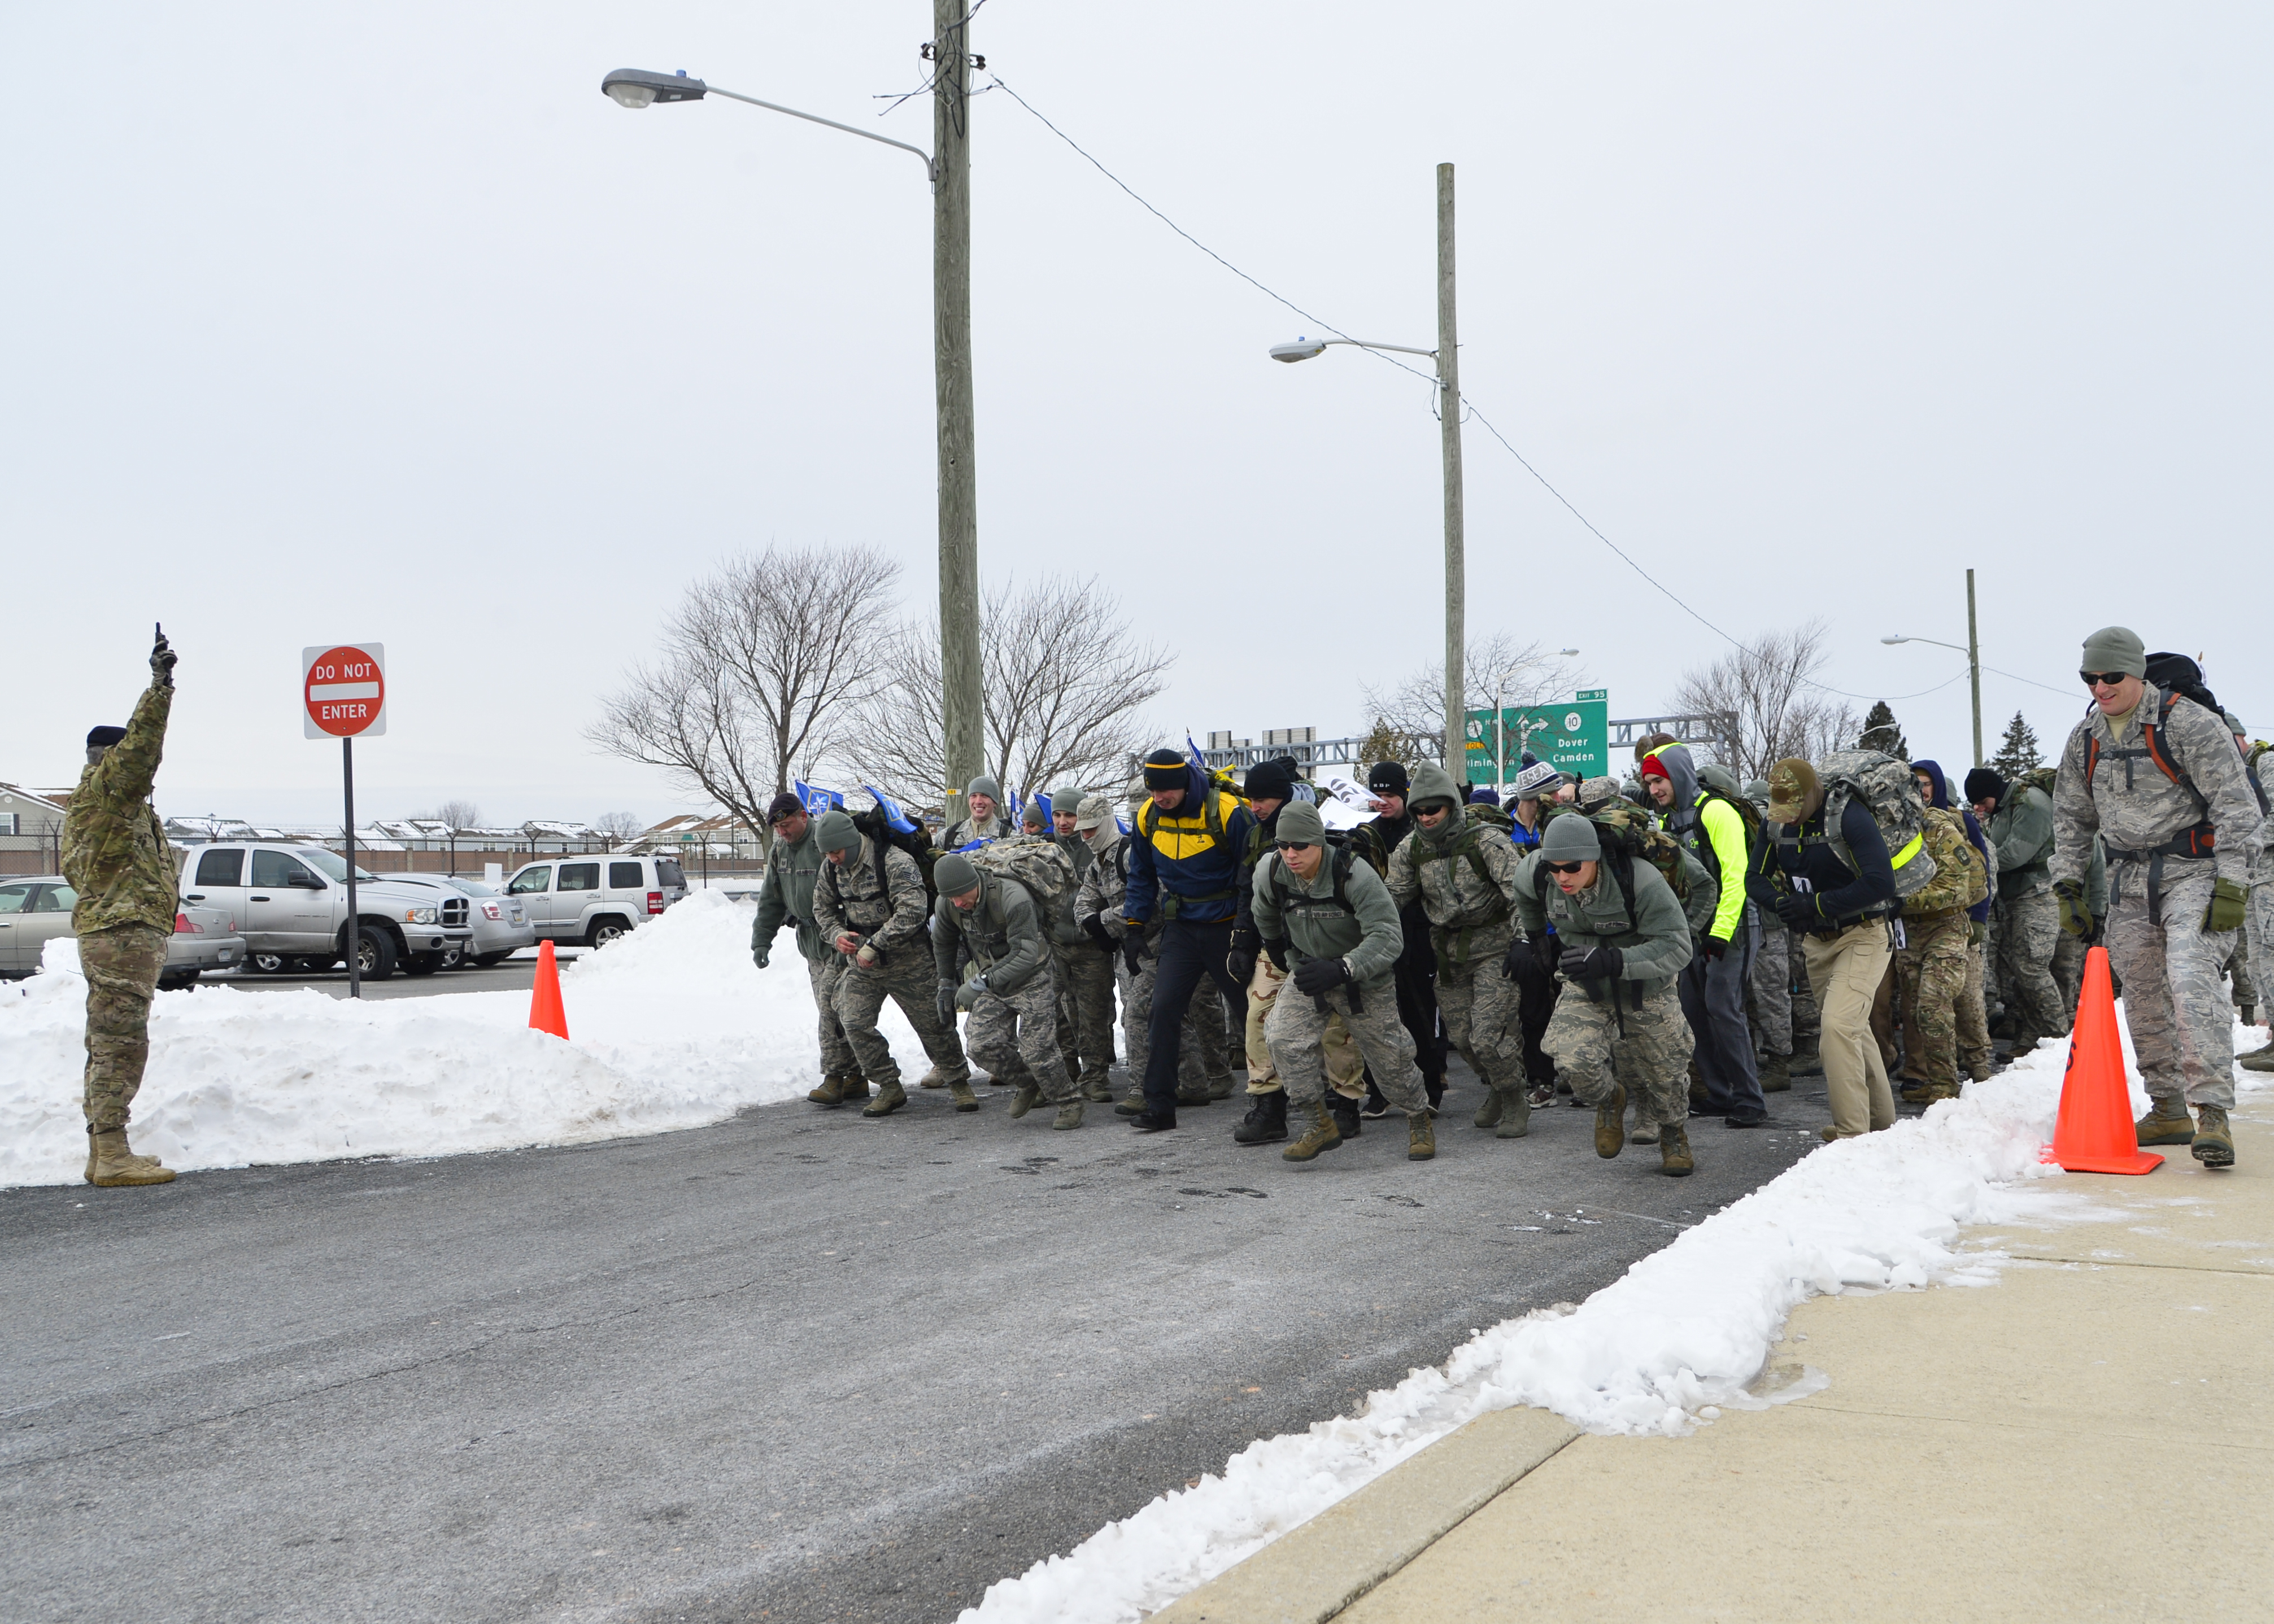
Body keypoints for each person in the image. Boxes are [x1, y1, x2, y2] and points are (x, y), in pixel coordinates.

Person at [2051, 628, 2262, 1166]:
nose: (2100, 687)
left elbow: (2238, 809)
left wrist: (2234, 883)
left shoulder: (2188, 723)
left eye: (2111, 676)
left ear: (2136, 673)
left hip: (2194, 871)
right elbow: (2072, 819)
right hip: (2128, 881)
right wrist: (2068, 884)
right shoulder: (2086, 739)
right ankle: (2167, 1107)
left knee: (2190, 978)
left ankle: (2211, 1113)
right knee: (2143, 995)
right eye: (2089, 678)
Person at [1251, 800, 1438, 1163]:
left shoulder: (1354, 874)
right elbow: (1265, 918)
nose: (1290, 854)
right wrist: (1287, 960)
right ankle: (1317, 1122)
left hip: (1363, 977)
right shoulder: (1270, 872)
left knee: (1391, 1060)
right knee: (1281, 1038)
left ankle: (1418, 1119)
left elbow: (1387, 936)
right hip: (1310, 973)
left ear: (1318, 843)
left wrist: (1344, 968)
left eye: (1299, 846)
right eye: (1283, 845)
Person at [1511, 814, 1698, 1175]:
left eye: (1572, 867)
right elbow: (1525, 897)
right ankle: (1611, 1099)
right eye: (1554, 867)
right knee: (1570, 1058)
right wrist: (1532, 937)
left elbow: (1677, 947)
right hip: (1586, 984)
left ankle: (1673, 1132)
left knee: (1666, 1074)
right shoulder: (1535, 873)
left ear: (1594, 858)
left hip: (1646, 986)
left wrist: (1614, 960)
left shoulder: (1640, 880)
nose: (1562, 877)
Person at [63, 629, 181, 1187]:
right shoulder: (110, 791)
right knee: (120, 1043)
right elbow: (140, 750)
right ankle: (112, 1153)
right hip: (121, 935)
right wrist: (160, 688)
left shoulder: (99, 808)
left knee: (107, 1041)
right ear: (109, 760)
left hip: (117, 932)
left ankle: (103, 1150)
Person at [1750, 757, 1901, 1141]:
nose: (1790, 818)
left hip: (1863, 934)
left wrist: (1817, 904)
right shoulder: (1776, 823)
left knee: (1835, 1028)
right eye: (1782, 810)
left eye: (1795, 808)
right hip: (1817, 942)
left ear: (1813, 795)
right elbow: (1754, 877)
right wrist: (1779, 903)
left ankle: (1851, 1136)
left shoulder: (1848, 817)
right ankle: (1881, 1127)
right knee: (1852, 1031)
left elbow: (1881, 882)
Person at [1384, 763, 1532, 1137]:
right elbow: (1390, 900)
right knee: (1463, 1040)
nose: (1425, 817)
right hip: (1449, 953)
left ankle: (1516, 1097)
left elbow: (1522, 895)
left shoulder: (1486, 841)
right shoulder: (1412, 848)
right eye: (1418, 811)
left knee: (1487, 1036)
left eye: (1433, 809)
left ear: (1451, 805)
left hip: (1495, 947)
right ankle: (1498, 1088)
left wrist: (1523, 941)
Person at [1227, 759, 1367, 1145]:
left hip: (1327, 944)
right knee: (1258, 1017)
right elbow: (1246, 893)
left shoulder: (1326, 826)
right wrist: (1243, 940)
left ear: (1284, 794)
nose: (1255, 807)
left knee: (1335, 1026)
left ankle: (1346, 1104)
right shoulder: (1256, 838)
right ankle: (1268, 1106)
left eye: (1263, 799)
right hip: (1278, 944)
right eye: (1250, 799)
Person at [1122, 749, 1257, 1131]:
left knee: (1250, 1015)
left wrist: (1247, 935)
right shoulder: (1148, 816)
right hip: (1181, 926)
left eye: (1167, 790)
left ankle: (1276, 1099)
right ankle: (1159, 1105)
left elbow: (1250, 876)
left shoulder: (1228, 811)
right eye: (1153, 790)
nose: (1160, 798)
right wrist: (1133, 926)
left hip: (1226, 924)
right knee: (1162, 1009)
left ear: (1183, 783)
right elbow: (1141, 874)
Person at [809, 809, 975, 1117]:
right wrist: (837, 935)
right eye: (827, 853)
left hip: (909, 959)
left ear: (851, 842)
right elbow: (822, 908)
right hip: (863, 961)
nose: (832, 858)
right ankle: (888, 1085)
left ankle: (958, 1082)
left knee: (934, 1025)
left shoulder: (895, 861)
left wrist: (876, 945)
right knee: (853, 1021)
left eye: (836, 851)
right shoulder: (831, 870)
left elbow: (913, 911)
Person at [1639, 744, 1767, 1127]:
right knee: (1694, 1010)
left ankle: (1750, 1099)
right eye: (1648, 782)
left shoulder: (1716, 811)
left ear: (1677, 774)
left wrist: (1722, 932)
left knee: (1723, 1007)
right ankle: (1720, 1093)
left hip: (1735, 926)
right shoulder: (1665, 822)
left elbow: (1737, 876)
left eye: (1658, 780)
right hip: (1692, 929)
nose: (1654, 789)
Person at [1071, 794, 1223, 1108]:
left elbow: (1154, 900)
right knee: (1168, 1016)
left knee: (1139, 1015)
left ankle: (1141, 1091)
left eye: (1092, 829)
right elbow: (1083, 902)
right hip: (1131, 953)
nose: (1087, 837)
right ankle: (1195, 1083)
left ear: (1107, 822)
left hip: (1161, 946)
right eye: (1082, 831)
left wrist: (1104, 922)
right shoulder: (1098, 863)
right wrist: (1095, 924)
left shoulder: (1130, 854)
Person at [931, 850, 1084, 1129]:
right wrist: (945, 984)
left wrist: (979, 983)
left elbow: (1025, 955)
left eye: (961, 895)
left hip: (1034, 977)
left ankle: (1069, 1102)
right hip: (996, 980)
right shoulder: (949, 903)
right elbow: (943, 943)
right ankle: (1028, 1083)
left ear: (974, 881)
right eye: (950, 898)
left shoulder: (1013, 898)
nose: (958, 903)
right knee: (980, 1045)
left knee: (1038, 1050)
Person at [1350, 760, 1450, 1116]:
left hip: (1418, 933)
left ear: (1405, 794)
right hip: (1379, 934)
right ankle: (1378, 1091)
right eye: (1376, 795)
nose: (1383, 801)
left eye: (1390, 794)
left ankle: (1430, 1084)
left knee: (1421, 1012)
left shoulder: (1421, 829)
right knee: (1377, 1015)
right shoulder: (1365, 832)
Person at [753, 792, 866, 1107]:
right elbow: (771, 900)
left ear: (803, 816)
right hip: (811, 944)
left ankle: (834, 1077)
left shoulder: (826, 842)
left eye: (787, 825)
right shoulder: (780, 852)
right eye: (778, 829)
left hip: (841, 939)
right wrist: (762, 940)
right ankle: (856, 1076)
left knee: (832, 1009)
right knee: (833, 1010)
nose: (783, 833)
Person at [1891, 766, 1987, 1104]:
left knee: (1942, 1002)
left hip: (1947, 925)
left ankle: (1971, 1077)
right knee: (1922, 1008)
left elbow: (1959, 885)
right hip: (1909, 931)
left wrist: (1902, 902)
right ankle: (1940, 1080)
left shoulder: (1942, 827)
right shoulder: (1891, 830)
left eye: (1923, 785)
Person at [1965, 766, 2070, 1052]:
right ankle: (2028, 1039)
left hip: (2038, 894)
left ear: (1993, 794)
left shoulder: (2031, 804)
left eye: (1981, 802)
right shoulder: (2002, 808)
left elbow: (2014, 854)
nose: (1978, 808)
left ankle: (2059, 1038)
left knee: (2032, 968)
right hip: (2015, 897)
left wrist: (1975, 865)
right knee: (2018, 971)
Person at [1914, 760, 1996, 1085]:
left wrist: (1979, 918)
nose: (1921, 790)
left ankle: (1979, 1064)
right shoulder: (1904, 824)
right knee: (1929, 1002)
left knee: (1969, 998)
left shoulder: (1959, 821)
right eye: (1915, 783)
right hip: (1919, 924)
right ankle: (1936, 1074)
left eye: (1926, 783)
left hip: (1959, 918)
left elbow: (1981, 871)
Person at [1047, 782, 1117, 1102]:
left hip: (1092, 946)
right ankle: (1068, 1069)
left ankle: (1095, 1075)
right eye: (1058, 815)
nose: (1064, 822)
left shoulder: (1099, 849)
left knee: (1093, 1014)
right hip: (1057, 946)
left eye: (1070, 816)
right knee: (1057, 1014)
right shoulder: (1044, 850)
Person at [1502, 760, 1563, 1105]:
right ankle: (1542, 1079)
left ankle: (1575, 1074)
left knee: (1573, 998)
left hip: (1567, 926)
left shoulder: (1563, 825)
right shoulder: (1500, 830)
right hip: (1525, 930)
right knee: (1534, 1007)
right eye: (1551, 791)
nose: (1558, 796)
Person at [940, 775, 1010, 850]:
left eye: (984, 796)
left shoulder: (1010, 838)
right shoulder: (948, 836)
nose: (978, 801)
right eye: (973, 796)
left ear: (995, 802)